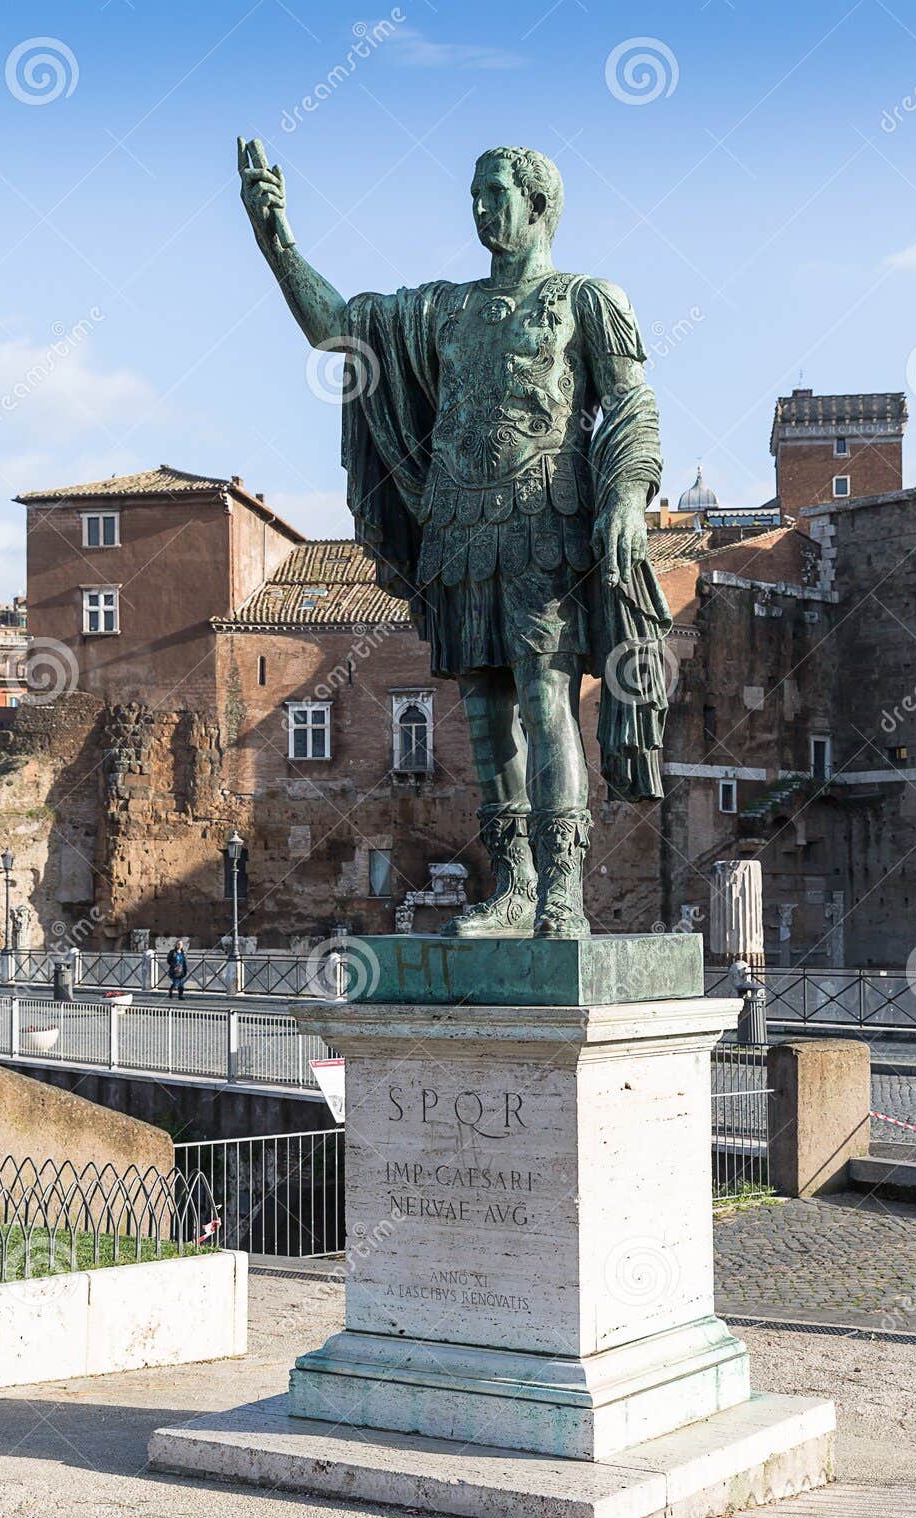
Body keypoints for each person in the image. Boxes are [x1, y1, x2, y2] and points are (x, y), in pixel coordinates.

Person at [237, 138, 670, 939]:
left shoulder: (586, 298)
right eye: (472, 195)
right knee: (481, 714)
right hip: (461, 529)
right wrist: (277, 242)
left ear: (539, 205)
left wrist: (627, 499)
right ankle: (512, 888)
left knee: (547, 703)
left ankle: (561, 894)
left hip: (547, 524)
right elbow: (338, 330)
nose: (479, 209)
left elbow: (632, 405)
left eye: (494, 193)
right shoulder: (442, 309)